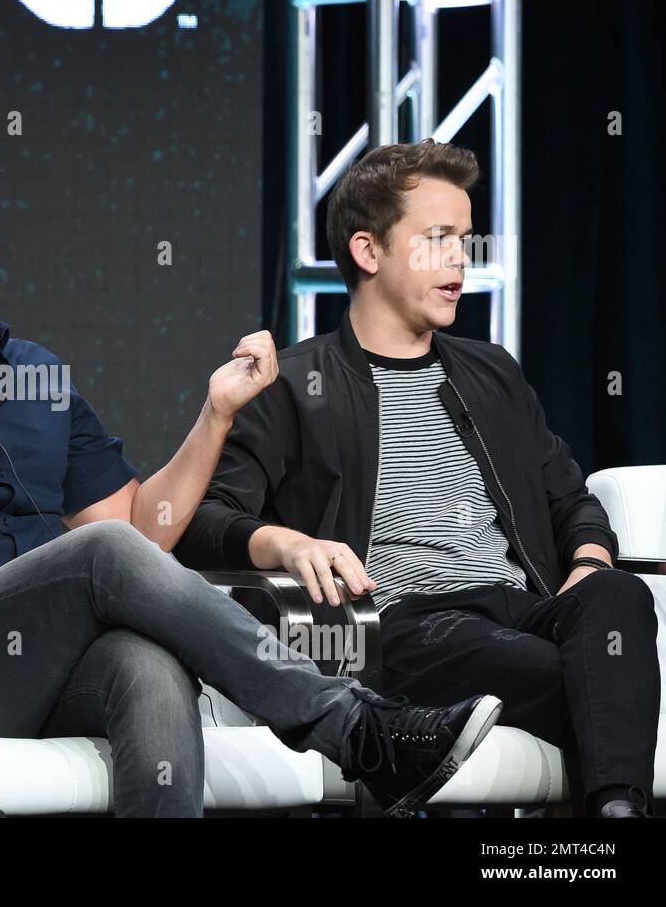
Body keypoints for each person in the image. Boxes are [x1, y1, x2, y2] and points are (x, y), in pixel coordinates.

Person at [0, 122, 503, 818]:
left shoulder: (33, 371)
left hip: (43, 667)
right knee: (98, 558)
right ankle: (353, 724)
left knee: (146, 661)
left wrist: (216, 415)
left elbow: (144, 530)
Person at [175, 139, 659, 818]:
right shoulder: (293, 384)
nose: (461, 258)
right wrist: (287, 544)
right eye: (437, 239)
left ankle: (615, 818)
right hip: (397, 625)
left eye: (464, 239)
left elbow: (571, 499)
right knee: (591, 676)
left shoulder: (492, 373)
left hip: (519, 608)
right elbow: (199, 521)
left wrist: (588, 559)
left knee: (618, 596)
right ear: (369, 251)